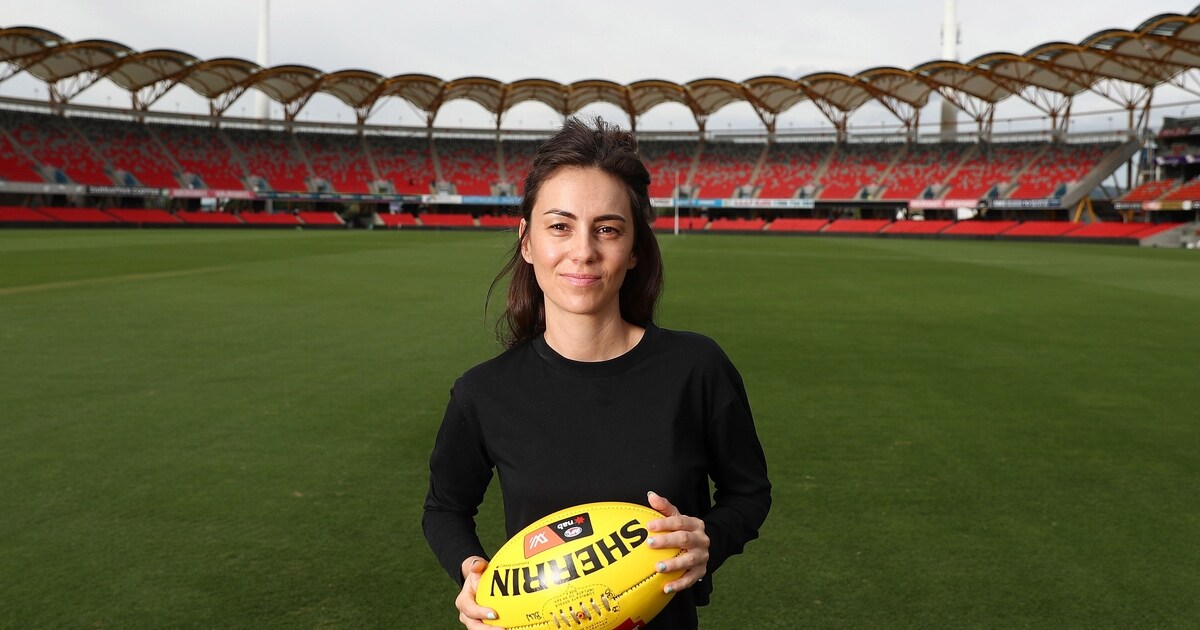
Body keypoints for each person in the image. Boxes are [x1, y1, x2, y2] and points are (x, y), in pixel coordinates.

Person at [422, 117, 771, 629]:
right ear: (527, 241)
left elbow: (749, 493)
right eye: (560, 226)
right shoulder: (483, 393)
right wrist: (472, 571)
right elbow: (444, 508)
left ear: (633, 250)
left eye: (607, 228)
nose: (583, 251)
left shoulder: (695, 369)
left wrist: (708, 541)